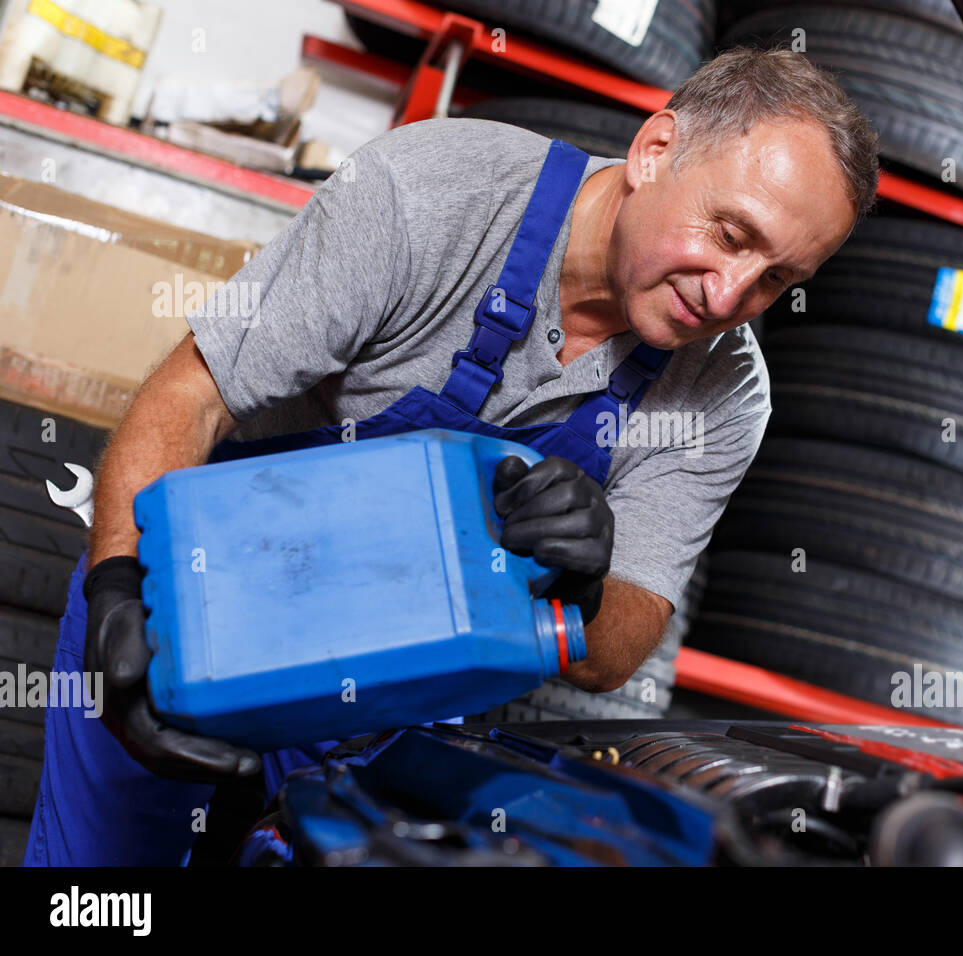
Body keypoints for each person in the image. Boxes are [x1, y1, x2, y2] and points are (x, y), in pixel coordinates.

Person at [24, 46, 878, 865]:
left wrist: (585, 588)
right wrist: (118, 592)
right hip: (200, 629)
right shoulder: (428, 194)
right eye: (730, 234)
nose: (731, 297)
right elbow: (191, 394)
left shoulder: (726, 391)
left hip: (394, 721)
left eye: (774, 279)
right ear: (656, 150)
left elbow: (622, 645)